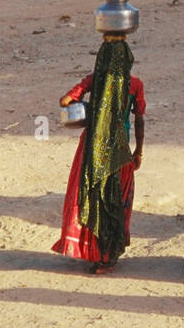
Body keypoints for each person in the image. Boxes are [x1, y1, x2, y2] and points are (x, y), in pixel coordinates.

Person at [53, 32, 145, 274]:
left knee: (92, 197)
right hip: (122, 152)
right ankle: (109, 255)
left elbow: (65, 101)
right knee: (115, 202)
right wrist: (139, 151)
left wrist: (90, 105)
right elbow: (139, 120)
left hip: (93, 149)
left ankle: (95, 250)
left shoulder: (95, 79)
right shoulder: (135, 85)